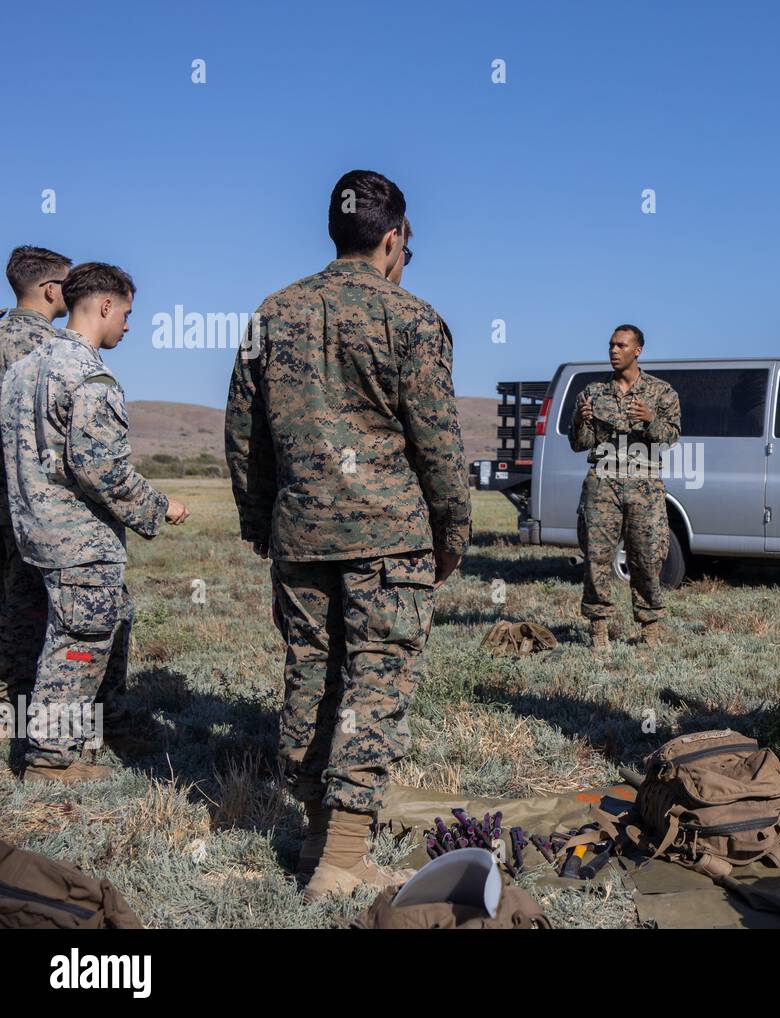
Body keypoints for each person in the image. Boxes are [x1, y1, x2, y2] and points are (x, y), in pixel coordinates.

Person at [225, 169, 470, 899]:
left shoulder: (274, 311)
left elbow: (244, 435)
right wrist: (451, 532)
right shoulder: (412, 318)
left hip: (301, 534)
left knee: (311, 677)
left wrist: (262, 521)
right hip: (387, 538)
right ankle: (341, 860)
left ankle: (313, 840)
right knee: (373, 686)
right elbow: (439, 445)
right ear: (393, 238)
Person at [1, 262, 189, 783]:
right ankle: (50, 758)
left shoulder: (23, 370)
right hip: (78, 539)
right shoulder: (88, 376)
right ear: (105, 306)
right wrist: (160, 506)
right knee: (78, 641)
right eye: (126, 313)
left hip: (30, 532)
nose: (128, 326)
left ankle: (47, 734)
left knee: (51, 633)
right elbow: (101, 468)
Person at [568, 324, 680, 651]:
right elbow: (580, 443)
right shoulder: (592, 393)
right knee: (596, 557)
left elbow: (671, 438)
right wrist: (579, 420)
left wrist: (650, 420)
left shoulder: (662, 393)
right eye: (611, 345)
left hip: (644, 482)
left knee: (647, 556)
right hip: (602, 482)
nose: (614, 351)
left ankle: (649, 629)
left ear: (638, 351)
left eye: (621, 345)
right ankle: (599, 628)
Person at [0, 246, 71, 704]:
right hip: (28, 495)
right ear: (49, 290)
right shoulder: (50, 348)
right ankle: (20, 699)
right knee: (30, 600)